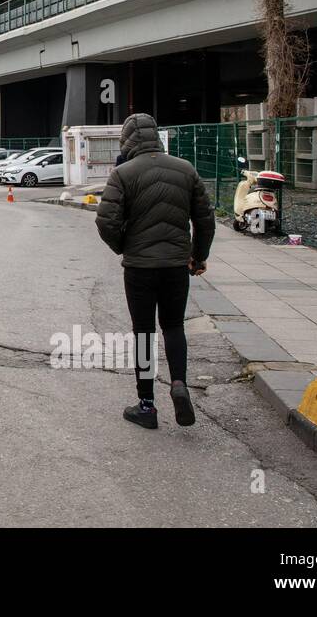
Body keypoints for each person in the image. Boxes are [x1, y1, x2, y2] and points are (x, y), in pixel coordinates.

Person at [95, 113, 214, 431]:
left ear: (127, 140)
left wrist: (124, 246)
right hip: (176, 265)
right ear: (156, 137)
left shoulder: (123, 173)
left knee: (144, 333)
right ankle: (178, 383)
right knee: (174, 327)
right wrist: (198, 256)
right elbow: (205, 219)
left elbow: (106, 221)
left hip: (139, 268)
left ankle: (147, 406)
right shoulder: (185, 169)